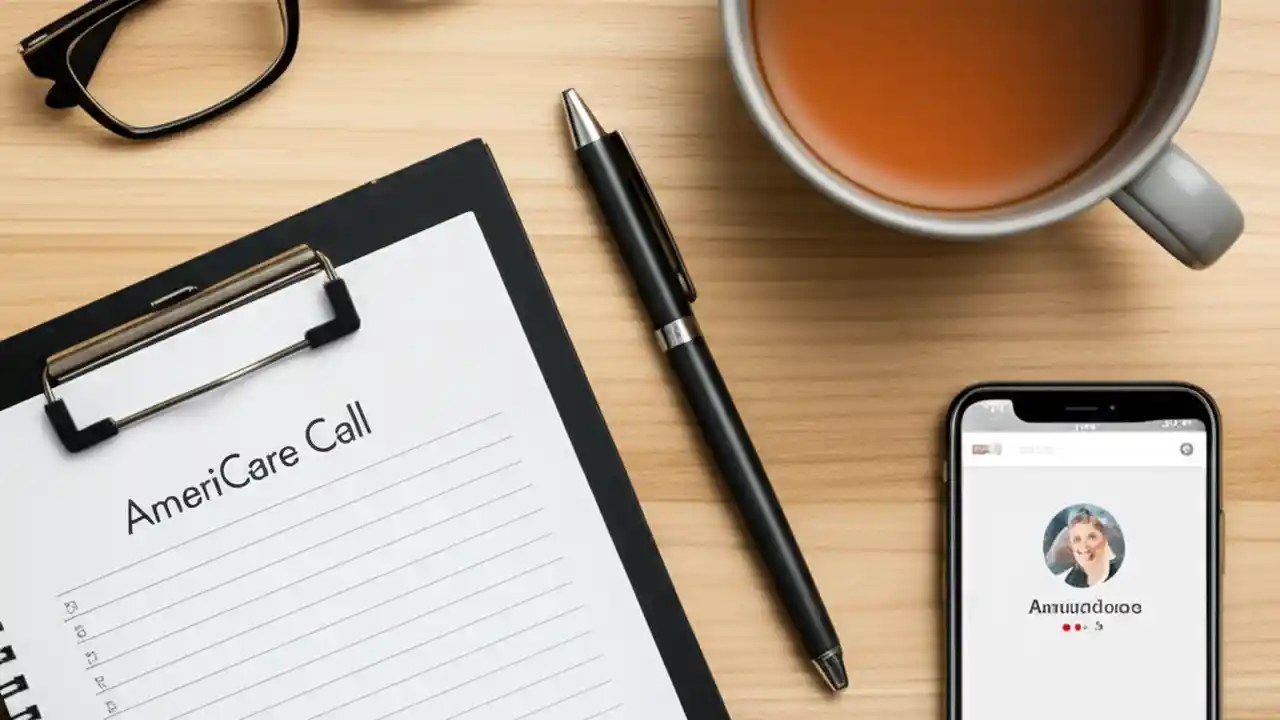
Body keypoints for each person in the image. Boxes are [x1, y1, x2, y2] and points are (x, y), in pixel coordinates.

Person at [1062, 509, 1119, 587]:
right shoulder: (1070, 582)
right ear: (1071, 545)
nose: (1084, 546)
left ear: (1105, 538)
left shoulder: (1120, 576)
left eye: (1092, 537)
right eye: (1077, 539)